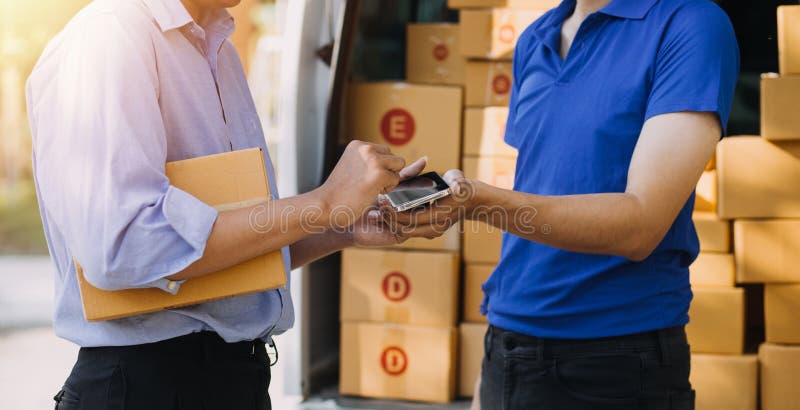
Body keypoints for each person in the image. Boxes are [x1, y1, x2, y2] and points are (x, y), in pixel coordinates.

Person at [26, 0, 441, 409]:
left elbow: (226, 251)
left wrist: (342, 226)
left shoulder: (218, 49)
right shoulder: (110, 34)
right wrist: (323, 202)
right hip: (146, 385)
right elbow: (122, 247)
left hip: (231, 378)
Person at [386, 0, 739, 408]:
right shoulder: (536, 38)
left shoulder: (691, 24)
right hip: (510, 346)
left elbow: (642, 226)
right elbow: (539, 189)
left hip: (615, 361)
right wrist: (495, 353)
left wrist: (477, 202)